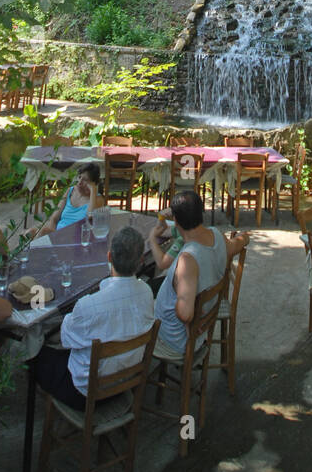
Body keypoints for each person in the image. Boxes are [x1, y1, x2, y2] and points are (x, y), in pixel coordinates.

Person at [34, 225, 154, 410]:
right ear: (140, 262)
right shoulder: (146, 292)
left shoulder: (89, 305)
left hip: (84, 393)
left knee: (37, 352)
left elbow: (63, 339)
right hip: (128, 381)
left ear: (109, 257)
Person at [150, 189, 248, 358]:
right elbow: (236, 245)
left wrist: (186, 304)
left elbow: (185, 314)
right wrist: (244, 237)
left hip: (174, 340)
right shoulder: (217, 235)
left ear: (176, 222)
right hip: (200, 328)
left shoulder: (187, 260)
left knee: (135, 302)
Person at [34, 162, 104, 236]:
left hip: (76, 237)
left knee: (40, 233)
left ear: (93, 184)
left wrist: (93, 191)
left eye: (85, 180)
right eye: (79, 177)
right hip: (58, 234)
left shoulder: (97, 199)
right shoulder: (70, 191)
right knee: (31, 232)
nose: (79, 182)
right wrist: (53, 234)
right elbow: (54, 218)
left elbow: (90, 218)